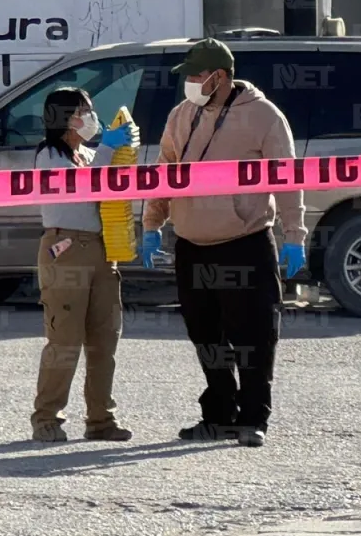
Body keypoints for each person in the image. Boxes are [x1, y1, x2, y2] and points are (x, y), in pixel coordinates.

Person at [140, 38, 307, 449]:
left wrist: (294, 235)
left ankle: (252, 418)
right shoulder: (182, 115)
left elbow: (286, 179)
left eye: (197, 76)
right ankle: (218, 413)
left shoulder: (264, 117)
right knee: (205, 336)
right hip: (192, 244)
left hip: (244, 242)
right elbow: (166, 172)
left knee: (253, 336)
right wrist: (151, 224)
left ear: (220, 76)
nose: (191, 83)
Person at [30, 87, 139, 443]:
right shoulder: (48, 156)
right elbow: (82, 189)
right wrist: (109, 146)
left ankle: (101, 419)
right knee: (64, 339)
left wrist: (121, 147)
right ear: (64, 118)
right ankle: (47, 418)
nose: (91, 117)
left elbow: (108, 179)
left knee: (104, 339)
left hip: (100, 249)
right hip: (65, 249)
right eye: (84, 111)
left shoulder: (89, 154)